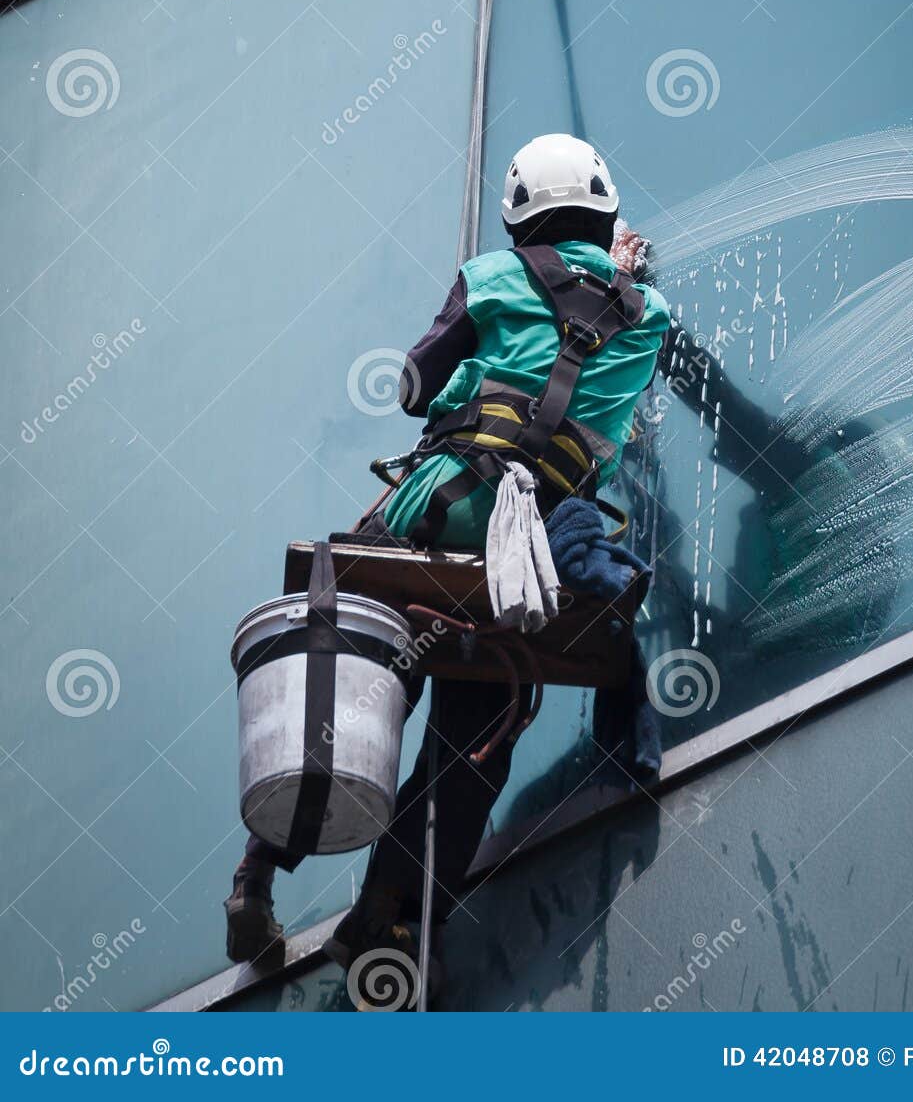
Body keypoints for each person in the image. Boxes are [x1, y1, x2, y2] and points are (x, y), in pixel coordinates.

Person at [224, 135, 672, 984]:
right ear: (605, 208)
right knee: (477, 737)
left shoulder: (491, 275)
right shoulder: (647, 315)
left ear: (518, 217)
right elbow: (616, 403)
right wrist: (625, 279)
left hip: (437, 509)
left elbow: (418, 386)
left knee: (346, 681)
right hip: (526, 555)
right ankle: (384, 915)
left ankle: (255, 877)